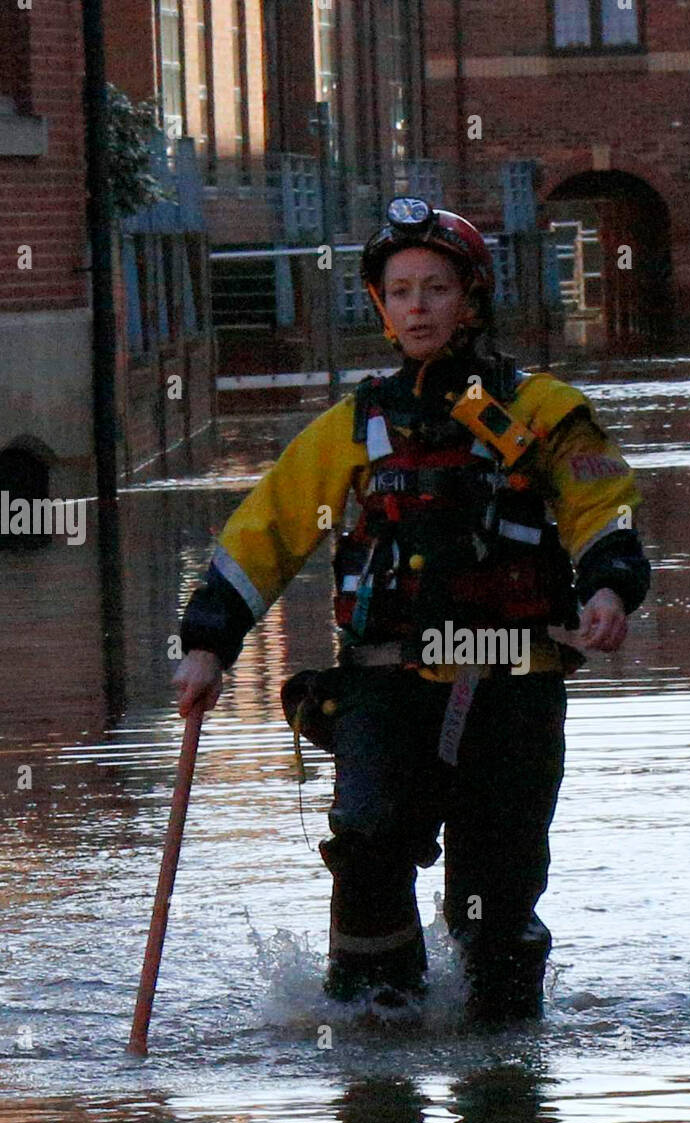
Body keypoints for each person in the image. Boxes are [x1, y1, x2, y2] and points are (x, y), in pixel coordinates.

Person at [172, 198, 651, 1025]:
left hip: (512, 689)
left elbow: (602, 506)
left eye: (435, 289)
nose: (418, 307)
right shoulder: (351, 429)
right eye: (400, 292)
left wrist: (608, 588)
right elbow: (267, 532)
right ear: (380, 306)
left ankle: (501, 1065)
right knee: (366, 845)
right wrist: (208, 644)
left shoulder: (547, 411)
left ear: (471, 298)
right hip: (387, 689)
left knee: (496, 892)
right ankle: (373, 1036)